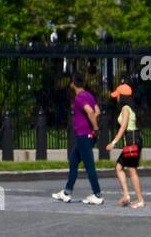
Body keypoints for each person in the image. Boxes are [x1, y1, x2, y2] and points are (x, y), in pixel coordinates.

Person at [52, 72, 103, 205]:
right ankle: (66, 192)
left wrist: (95, 127)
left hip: (83, 135)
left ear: (73, 84)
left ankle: (97, 194)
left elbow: (91, 112)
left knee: (89, 165)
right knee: (74, 161)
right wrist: (93, 125)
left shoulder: (79, 98)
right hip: (88, 135)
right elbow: (97, 111)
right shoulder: (89, 95)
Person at [105, 83, 144, 208]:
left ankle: (140, 200)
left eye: (118, 95)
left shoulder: (125, 108)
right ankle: (126, 195)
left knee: (132, 171)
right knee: (119, 167)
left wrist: (113, 142)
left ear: (122, 96)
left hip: (132, 140)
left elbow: (123, 127)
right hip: (132, 140)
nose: (116, 98)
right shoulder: (129, 107)